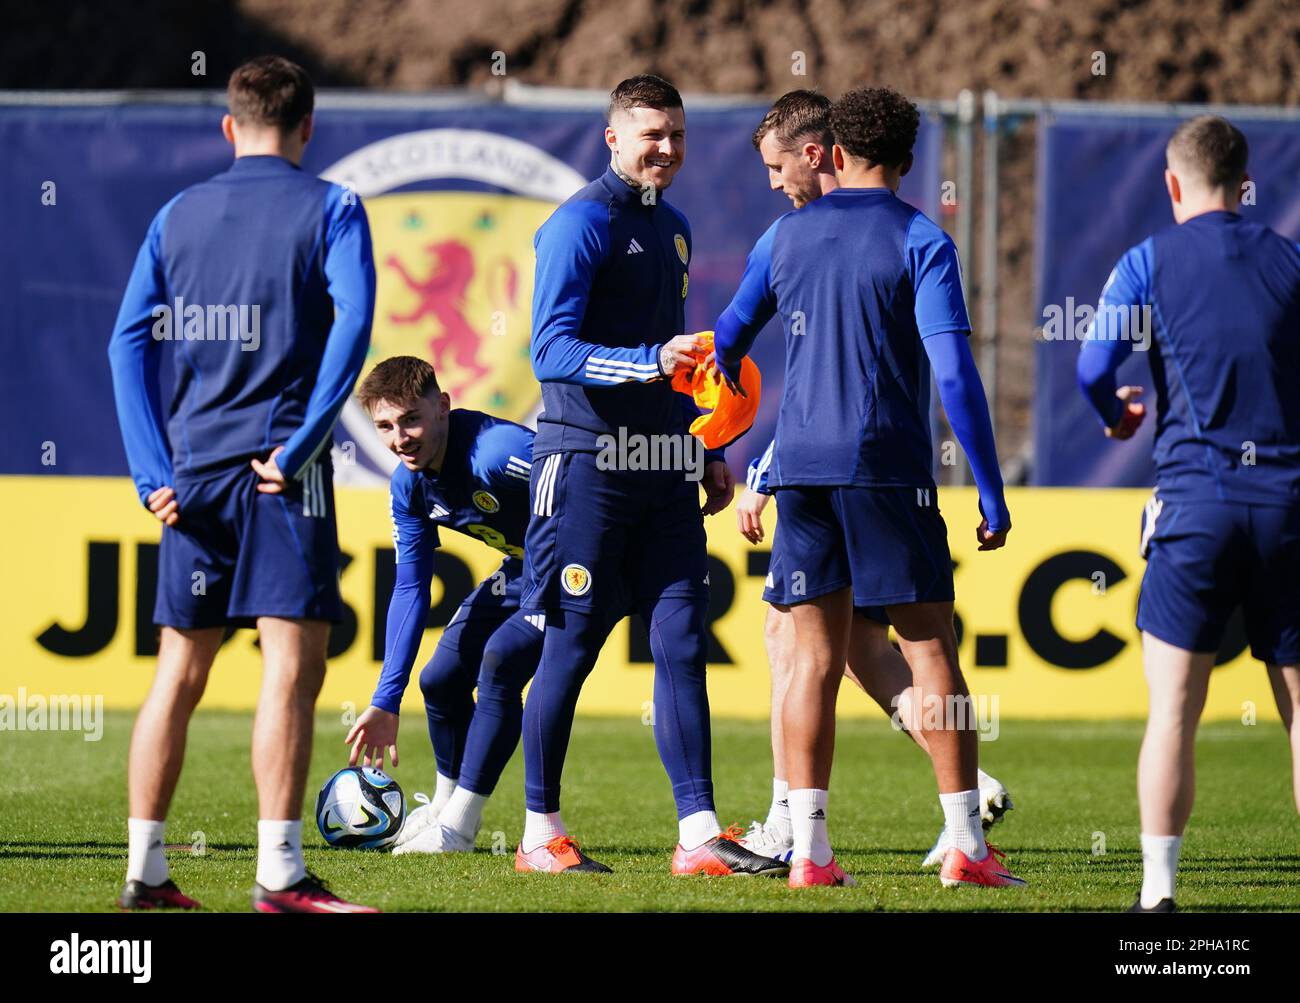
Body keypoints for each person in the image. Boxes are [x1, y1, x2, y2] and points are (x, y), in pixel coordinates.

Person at [713, 86, 1024, 889]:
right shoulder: (922, 237)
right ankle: (966, 844)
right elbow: (954, 373)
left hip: (803, 469)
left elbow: (729, 339)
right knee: (929, 652)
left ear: (834, 153)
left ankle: (811, 852)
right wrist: (989, 490)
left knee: (812, 659)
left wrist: (728, 422)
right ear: (909, 159)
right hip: (887, 466)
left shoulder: (785, 235)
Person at [107, 55, 376, 913]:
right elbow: (356, 324)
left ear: (230, 127)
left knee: (177, 674)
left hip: (191, 479)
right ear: (307, 128)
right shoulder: (333, 206)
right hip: (277, 477)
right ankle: (281, 874)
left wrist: (153, 470)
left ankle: (146, 872)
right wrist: (303, 444)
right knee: (289, 669)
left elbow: (126, 345)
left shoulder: (177, 213)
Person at [515, 74, 785, 877]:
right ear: (612, 138)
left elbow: (673, 360)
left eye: (676, 133)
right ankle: (539, 834)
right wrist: (649, 362)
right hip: (585, 461)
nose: (665, 147)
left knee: (682, 636)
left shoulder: (673, 226)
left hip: (661, 463)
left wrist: (701, 446)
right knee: (569, 645)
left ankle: (698, 833)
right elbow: (550, 352)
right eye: (650, 134)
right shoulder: (577, 224)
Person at [1077, 114, 1300, 913]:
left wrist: (1114, 411)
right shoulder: (1290, 259)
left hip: (1194, 506)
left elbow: (1093, 362)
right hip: (1288, 508)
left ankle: (1158, 892)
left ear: (1172, 184)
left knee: (1173, 710)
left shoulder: (1146, 259)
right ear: (1246, 184)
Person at [345, 356, 541, 855]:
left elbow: (586, 499)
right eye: (384, 426)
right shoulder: (407, 485)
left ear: (443, 408)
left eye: (410, 419)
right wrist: (387, 699)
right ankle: (443, 806)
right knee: (441, 679)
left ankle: (459, 828)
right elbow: (411, 588)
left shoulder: (500, 453)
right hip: (523, 571)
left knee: (498, 661)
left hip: (586, 570)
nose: (399, 438)